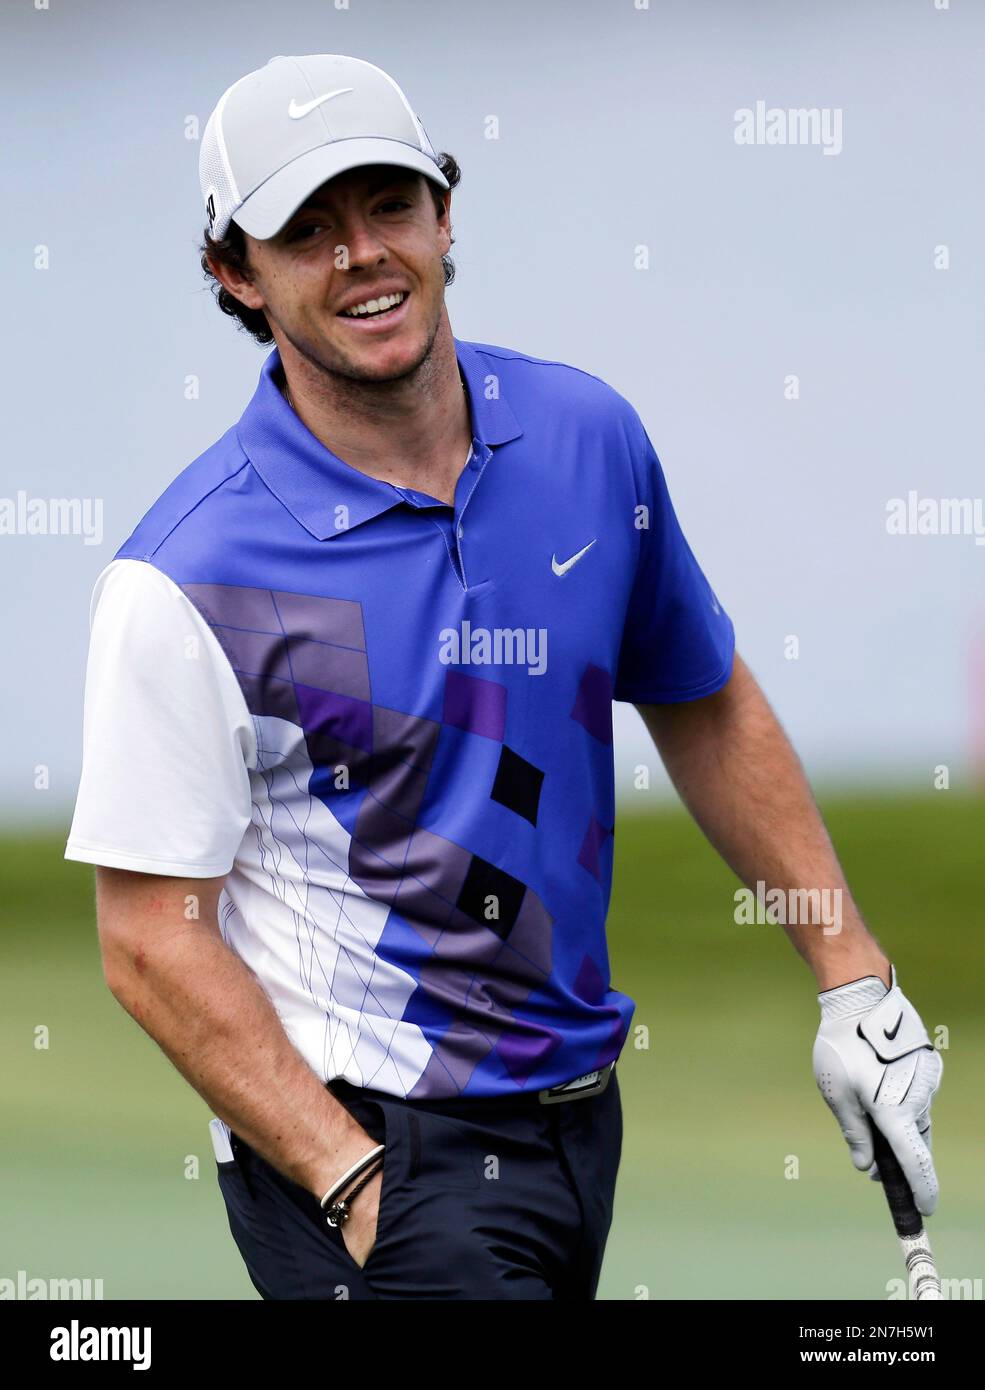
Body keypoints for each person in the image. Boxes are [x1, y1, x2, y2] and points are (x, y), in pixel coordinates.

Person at [64, 53, 942, 1301]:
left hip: (580, 1113)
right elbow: (150, 937)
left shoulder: (587, 438)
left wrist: (850, 972)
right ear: (234, 275)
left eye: (387, 206)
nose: (361, 254)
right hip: (370, 1147)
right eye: (305, 231)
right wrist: (353, 1183)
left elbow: (698, 693)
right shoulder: (186, 577)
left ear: (445, 213)